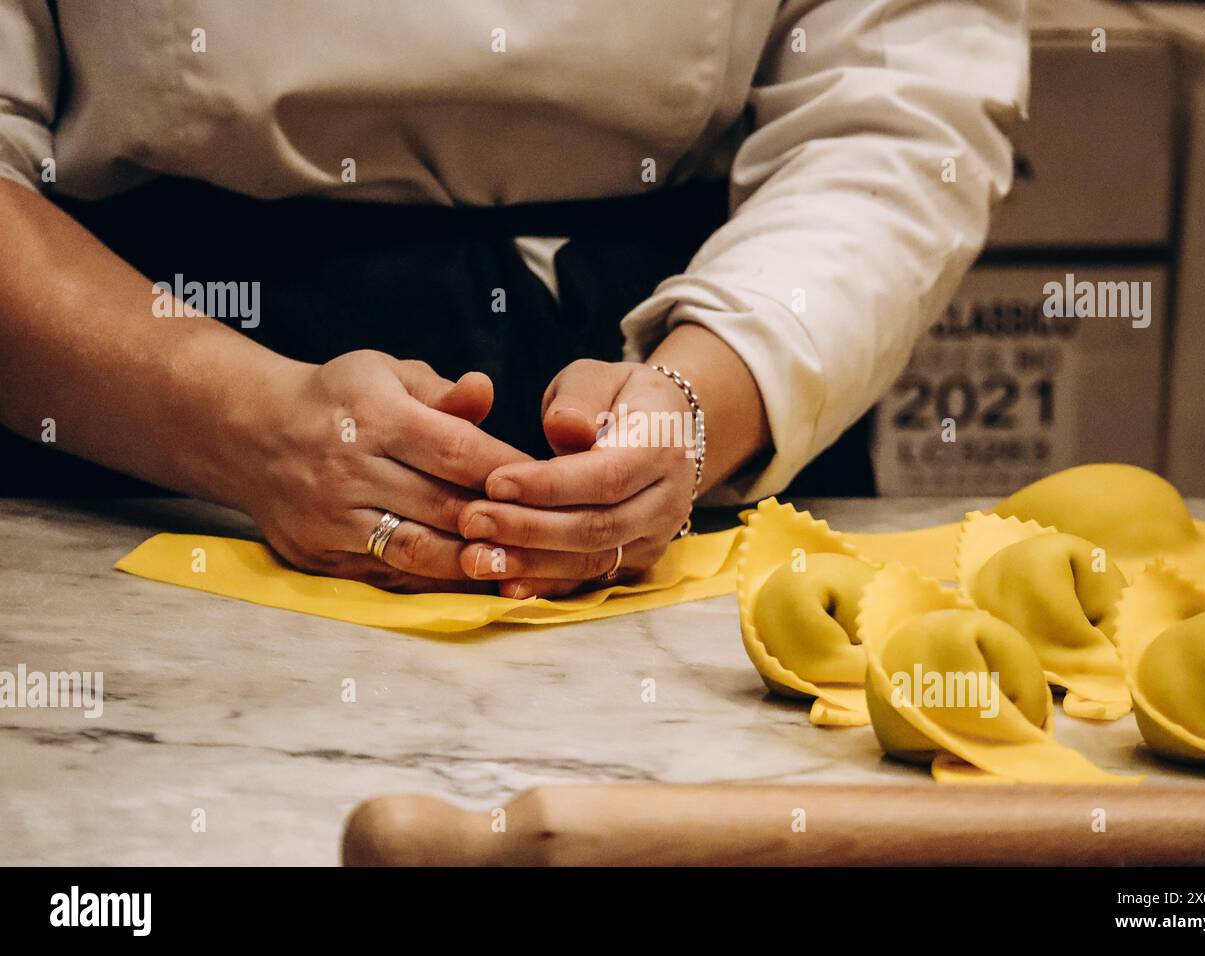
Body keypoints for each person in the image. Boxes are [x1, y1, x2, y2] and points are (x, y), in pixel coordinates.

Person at [0, 0, 1028, 598]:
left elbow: (896, 111)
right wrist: (237, 421)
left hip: (701, 344)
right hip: (143, 401)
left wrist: (702, 398)